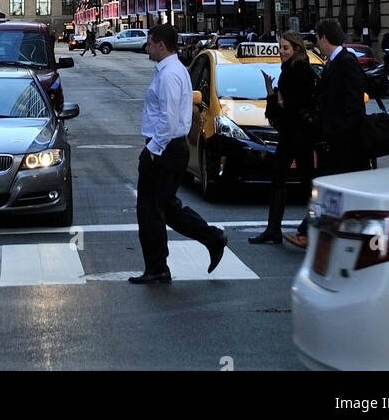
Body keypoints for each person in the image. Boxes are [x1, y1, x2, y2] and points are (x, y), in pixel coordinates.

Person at [130, 23, 227, 285]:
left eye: (150, 42)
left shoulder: (170, 74)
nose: (146, 46)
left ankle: (157, 267)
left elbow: (168, 118)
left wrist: (152, 150)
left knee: (149, 210)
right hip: (170, 148)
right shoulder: (171, 70)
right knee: (167, 208)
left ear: (161, 45)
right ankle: (212, 238)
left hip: (165, 148)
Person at [285, 17, 368, 249]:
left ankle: (312, 233)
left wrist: (338, 134)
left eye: (317, 38)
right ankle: (313, 232)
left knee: (328, 191)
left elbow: (354, 105)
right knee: (326, 191)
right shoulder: (333, 61)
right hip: (335, 142)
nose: (317, 44)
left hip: (345, 145)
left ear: (323, 38)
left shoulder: (346, 61)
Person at [249, 32, 317, 246]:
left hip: (298, 134)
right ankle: (274, 229)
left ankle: (302, 227)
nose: (281, 51)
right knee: (283, 178)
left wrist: (277, 99)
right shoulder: (292, 69)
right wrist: (274, 95)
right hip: (293, 134)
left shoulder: (298, 70)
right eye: (280, 47)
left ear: (296, 49)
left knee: (301, 181)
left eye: (285, 48)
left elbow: (293, 106)